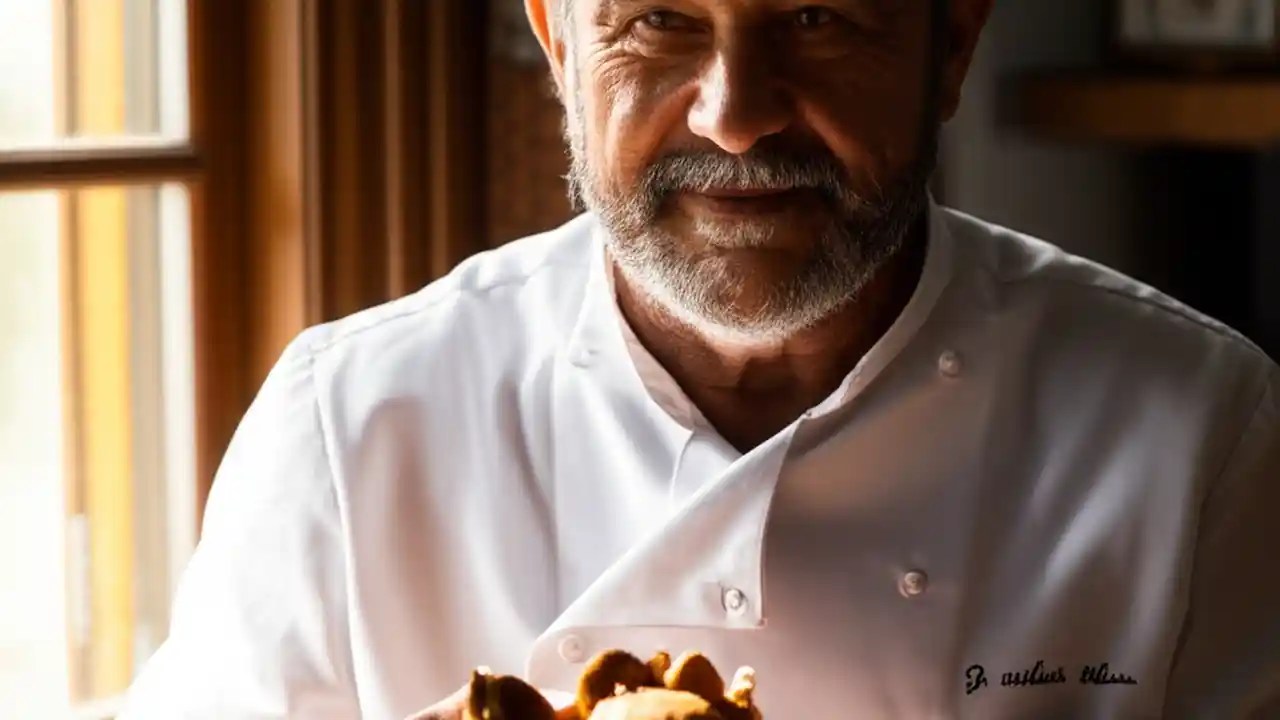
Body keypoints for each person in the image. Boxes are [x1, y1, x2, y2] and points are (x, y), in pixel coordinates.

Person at [121, 0, 1280, 717]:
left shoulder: (1194, 426)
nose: (735, 115)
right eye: (657, 21)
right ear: (556, 40)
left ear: (950, 44)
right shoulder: (353, 424)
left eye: (816, 20)